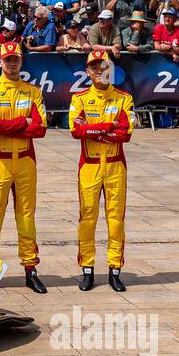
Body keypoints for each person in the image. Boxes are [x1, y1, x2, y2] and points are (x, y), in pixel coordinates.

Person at [0, 41, 47, 294]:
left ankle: (31, 269)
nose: (11, 64)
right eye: (7, 60)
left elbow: (40, 128)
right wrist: (22, 122)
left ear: (21, 61)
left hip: (26, 162)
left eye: (15, 59)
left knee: (26, 217)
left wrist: (9, 126)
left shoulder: (33, 92)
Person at [68, 53, 133, 292]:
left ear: (110, 69)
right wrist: (107, 127)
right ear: (87, 71)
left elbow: (125, 133)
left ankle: (115, 270)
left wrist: (92, 130)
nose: (98, 70)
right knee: (87, 219)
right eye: (94, 67)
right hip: (90, 165)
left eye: (103, 66)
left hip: (116, 165)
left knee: (116, 220)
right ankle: (87, 269)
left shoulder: (124, 98)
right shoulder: (80, 98)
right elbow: (76, 131)